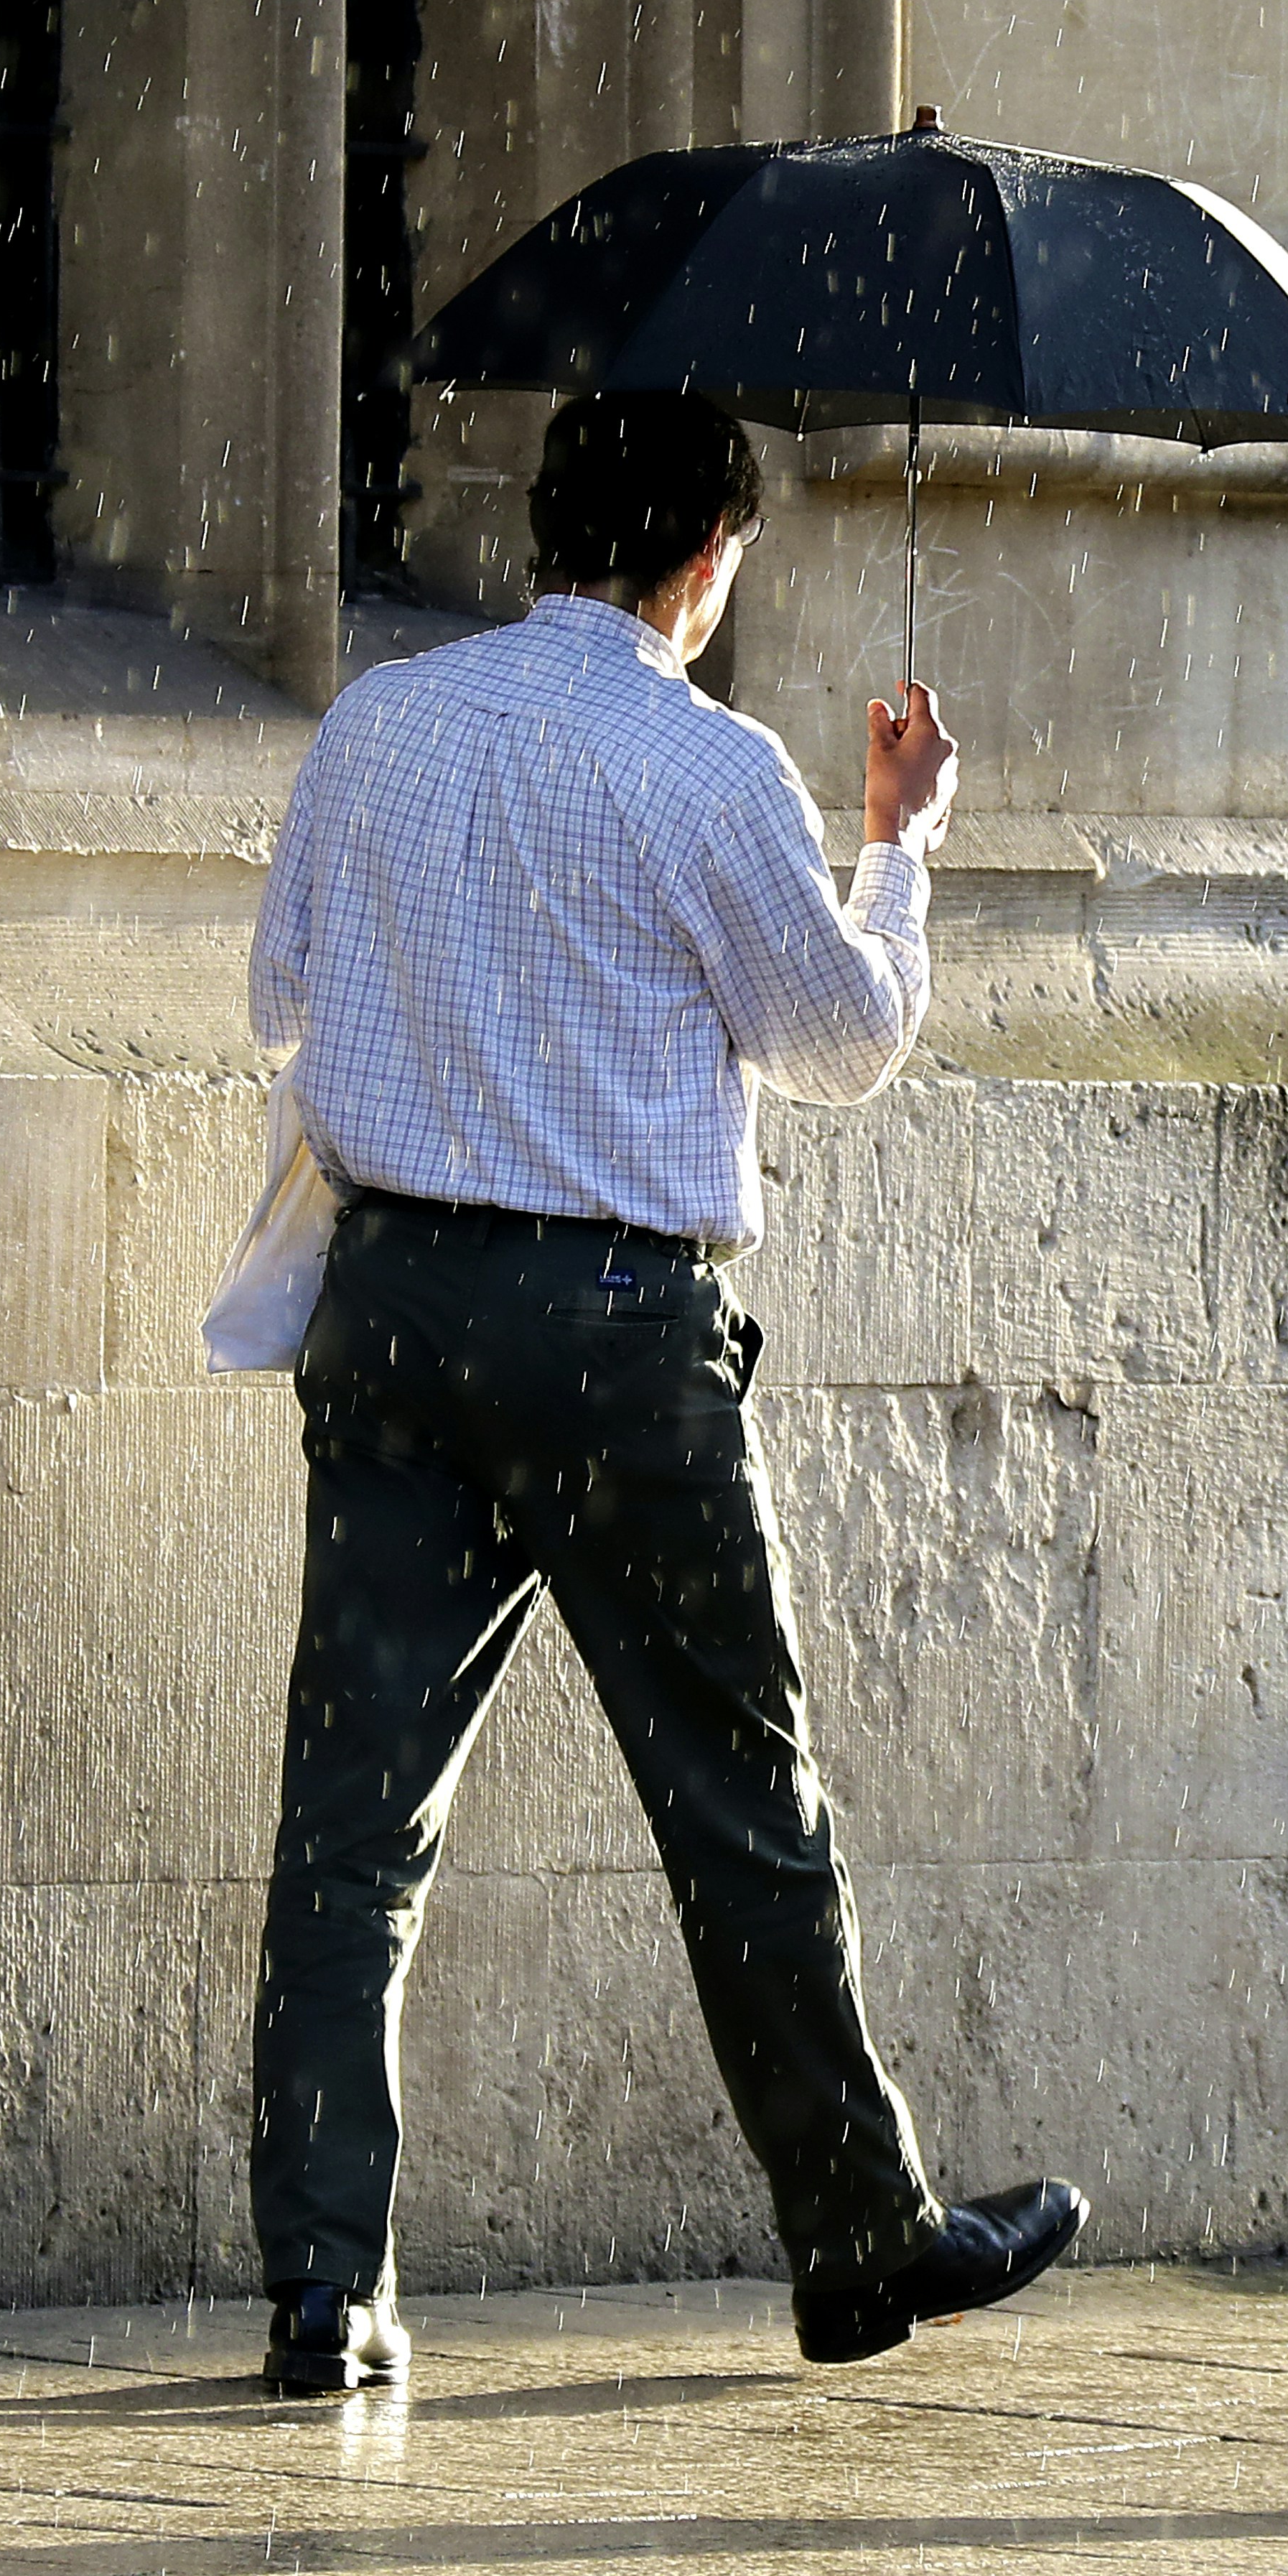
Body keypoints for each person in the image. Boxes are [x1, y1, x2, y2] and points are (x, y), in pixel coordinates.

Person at [241, 390, 1084, 2395]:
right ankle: (856, 2235)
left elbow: (281, 996)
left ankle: (322, 2287)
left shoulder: (376, 724)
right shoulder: (709, 770)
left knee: (351, 1825)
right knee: (738, 1804)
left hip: (394, 1307)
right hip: (616, 1332)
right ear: (705, 557)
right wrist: (901, 847)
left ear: (549, 529)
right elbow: (844, 1040)